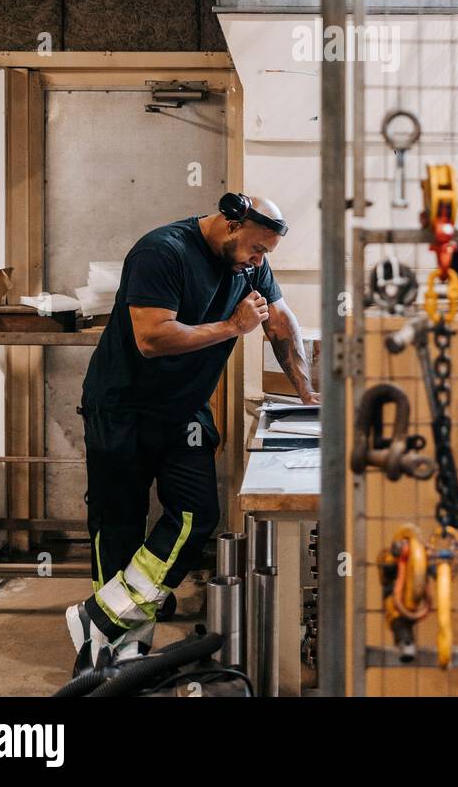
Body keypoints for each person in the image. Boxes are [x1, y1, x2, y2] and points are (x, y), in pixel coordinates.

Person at [65, 193, 318, 670]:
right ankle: (108, 652)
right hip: (123, 409)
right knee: (118, 523)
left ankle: (101, 616)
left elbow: (281, 322)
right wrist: (231, 326)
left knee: (197, 514)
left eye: (265, 254)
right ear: (230, 223)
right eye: (255, 249)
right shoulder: (161, 252)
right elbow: (152, 337)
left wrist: (305, 390)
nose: (259, 261)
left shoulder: (250, 265)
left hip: (184, 413)